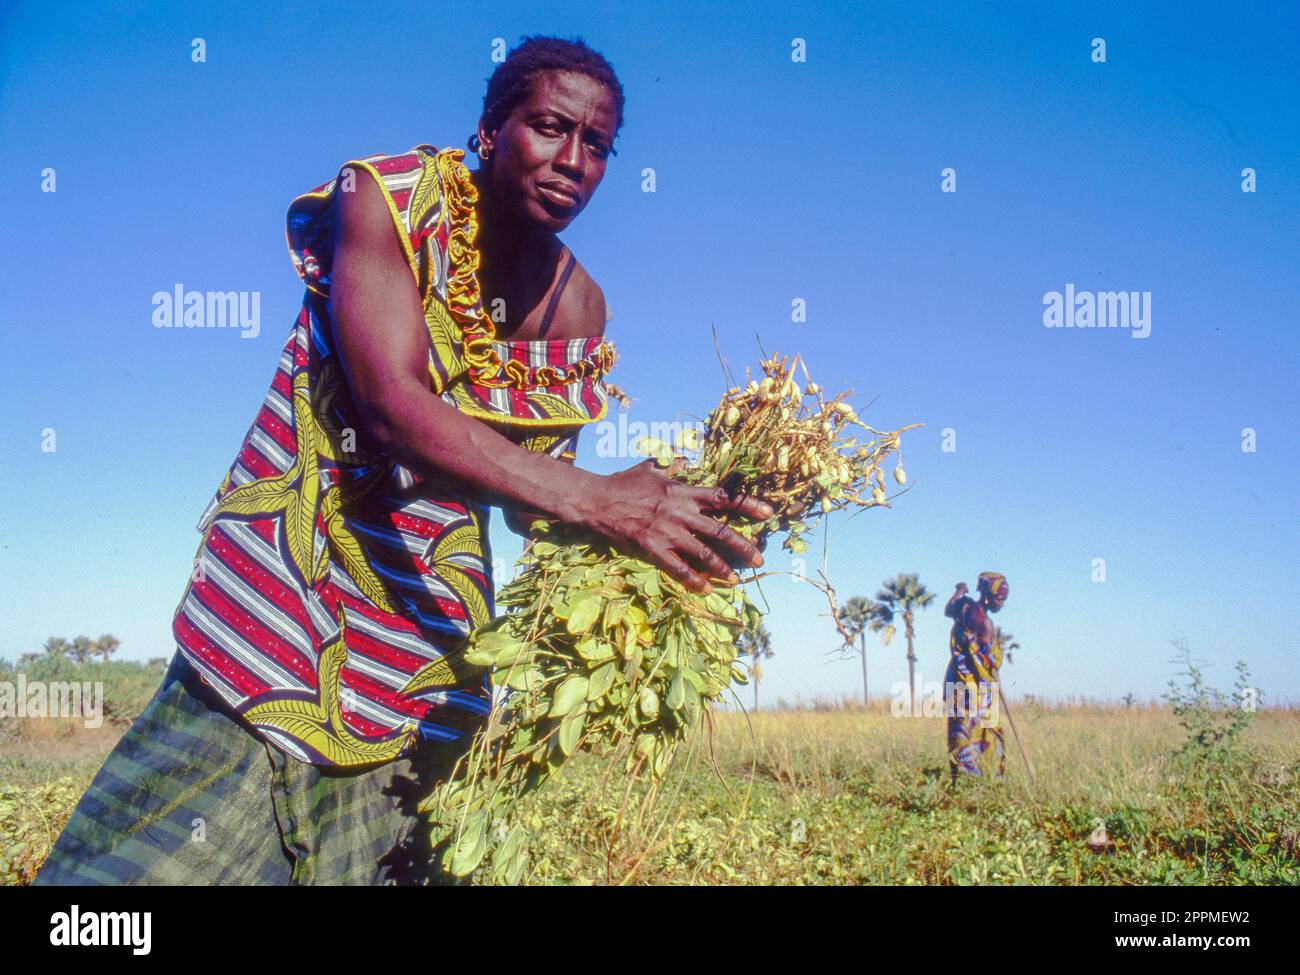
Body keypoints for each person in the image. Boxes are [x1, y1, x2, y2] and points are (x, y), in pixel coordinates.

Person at [36, 35, 773, 886]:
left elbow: (539, 501)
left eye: (598, 145)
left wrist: (678, 514)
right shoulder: (386, 198)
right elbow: (392, 407)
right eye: (549, 127)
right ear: (491, 131)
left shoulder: (577, 305)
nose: (573, 159)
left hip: (424, 652)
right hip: (284, 603)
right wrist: (602, 500)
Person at [943, 572, 1009, 779]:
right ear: (988, 596)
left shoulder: (964, 607)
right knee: (987, 732)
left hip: (956, 679)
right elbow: (988, 662)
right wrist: (995, 657)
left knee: (958, 732)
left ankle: (960, 781)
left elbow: (948, 610)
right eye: (1000, 598)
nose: (1002, 604)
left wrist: (959, 591)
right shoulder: (985, 623)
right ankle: (984, 780)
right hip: (975, 687)